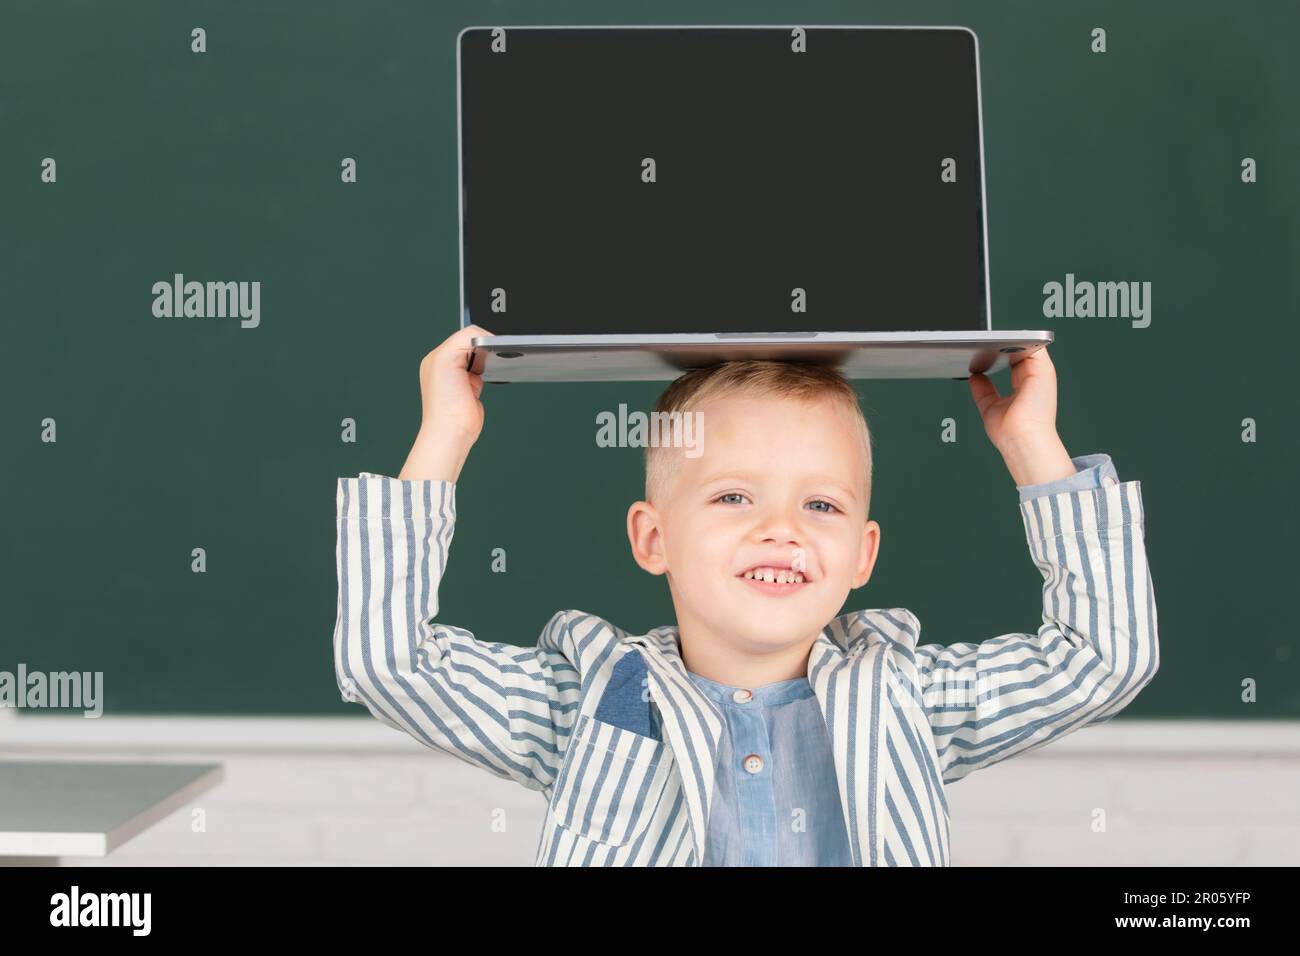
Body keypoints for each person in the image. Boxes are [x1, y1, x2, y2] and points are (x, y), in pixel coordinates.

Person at [333, 325, 1158, 866]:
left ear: (863, 554)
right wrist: (444, 435)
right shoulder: (590, 700)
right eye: (733, 497)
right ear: (652, 537)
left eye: (822, 504)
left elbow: (1102, 656)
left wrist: (1034, 447)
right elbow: (388, 661)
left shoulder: (907, 697)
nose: (781, 529)